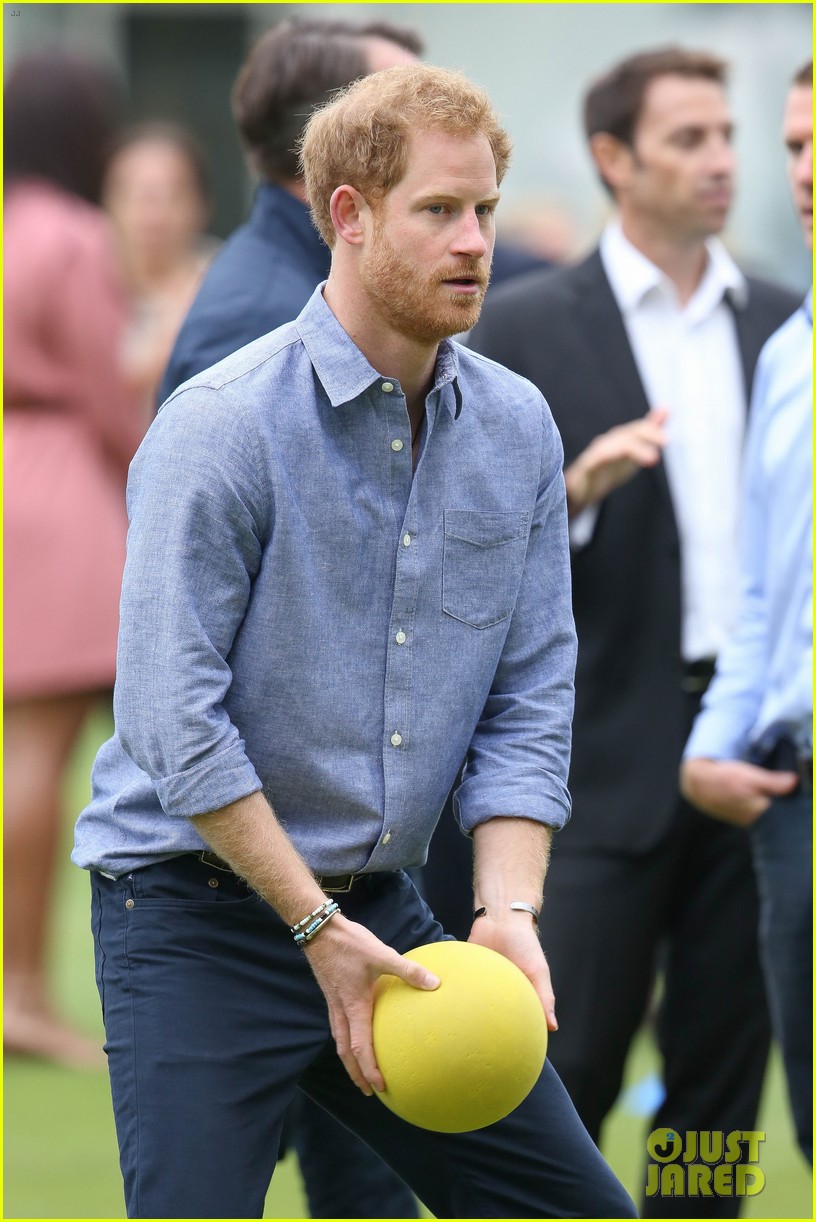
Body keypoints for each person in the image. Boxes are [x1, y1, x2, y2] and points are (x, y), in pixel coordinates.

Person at [74, 63, 637, 1221]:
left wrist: (507, 910)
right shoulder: (223, 427)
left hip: (387, 915)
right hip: (191, 917)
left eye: (483, 209)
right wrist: (314, 927)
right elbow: (172, 720)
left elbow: (530, 701)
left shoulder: (520, 427)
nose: (475, 240)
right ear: (348, 214)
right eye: (439, 210)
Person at [468, 46, 800, 1217]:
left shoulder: (783, 319)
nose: (723, 162)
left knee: (718, 1091)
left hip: (754, 750)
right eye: (689, 140)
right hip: (591, 758)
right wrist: (570, 492)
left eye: (729, 138)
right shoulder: (518, 328)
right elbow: (458, 554)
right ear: (614, 158)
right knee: (565, 1061)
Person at [157, 21, 430, 1218]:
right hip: (262, 863)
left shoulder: (378, 303)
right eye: (400, 104)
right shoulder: (253, 333)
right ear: (334, 158)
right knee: (335, 1175)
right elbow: (188, 659)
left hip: (358, 836)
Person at [681, 60, 813, 1166]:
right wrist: (718, 737)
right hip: (789, 801)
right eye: (798, 146)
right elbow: (762, 589)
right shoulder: (788, 354)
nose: (804, 172)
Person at [4, 51, 146, 1067]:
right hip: (69, 487)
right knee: (78, 745)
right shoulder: (74, 236)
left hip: (12, 469)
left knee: (35, 745)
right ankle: (22, 989)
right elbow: (110, 389)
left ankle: (21, 985)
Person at [158, 17, 421, 400]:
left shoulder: (309, 279)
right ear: (330, 138)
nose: (433, 129)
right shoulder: (258, 319)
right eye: (405, 112)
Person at [103, 122, 217, 412]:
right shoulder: (80, 285)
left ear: (201, 204)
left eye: (172, 195)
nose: (152, 214)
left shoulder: (223, 283)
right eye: (136, 194)